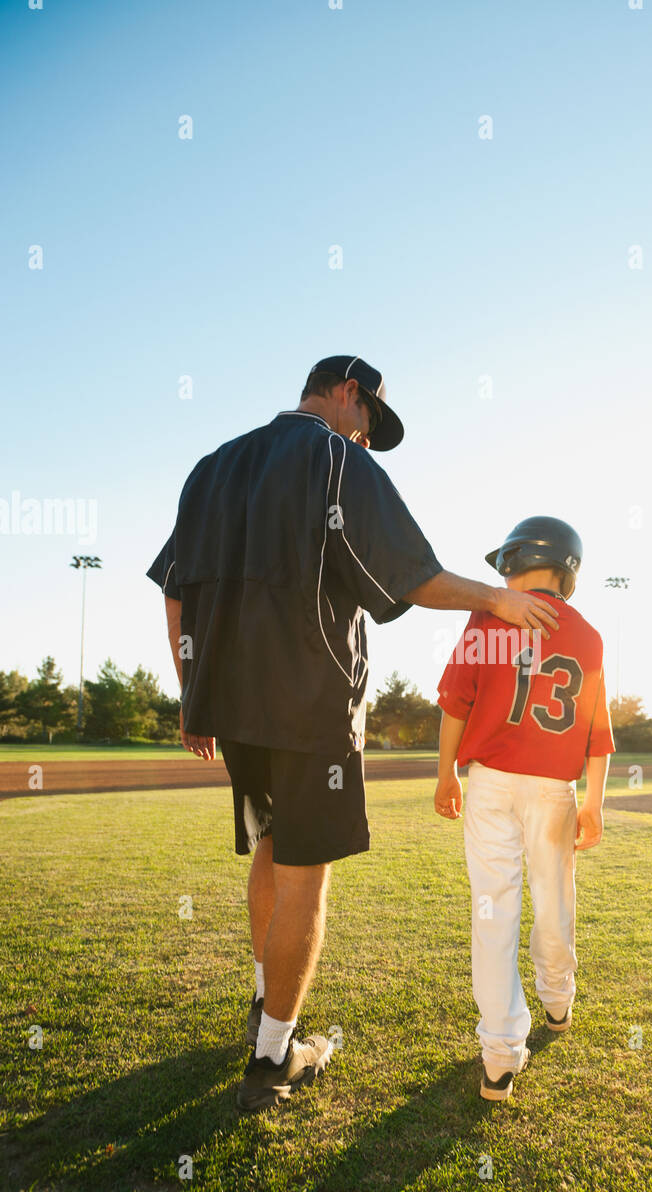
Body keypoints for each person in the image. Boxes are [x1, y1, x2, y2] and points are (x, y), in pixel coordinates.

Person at [146, 356, 559, 1112]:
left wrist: (189, 690)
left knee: (271, 847)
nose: (366, 440)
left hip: (231, 706)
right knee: (306, 869)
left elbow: (175, 593)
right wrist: (497, 599)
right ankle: (275, 1055)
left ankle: (264, 1005)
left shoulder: (212, 466)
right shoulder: (333, 455)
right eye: (369, 422)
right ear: (347, 395)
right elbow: (414, 576)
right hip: (309, 705)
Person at [433, 516, 614, 1101]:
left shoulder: (489, 616)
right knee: (555, 900)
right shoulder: (587, 636)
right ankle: (558, 999)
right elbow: (598, 737)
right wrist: (595, 803)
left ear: (512, 564)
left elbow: (456, 702)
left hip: (489, 784)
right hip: (553, 792)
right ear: (568, 571)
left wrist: (445, 774)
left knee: (493, 913)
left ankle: (500, 1055)